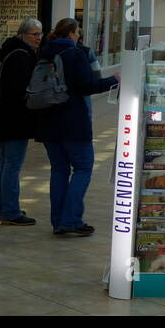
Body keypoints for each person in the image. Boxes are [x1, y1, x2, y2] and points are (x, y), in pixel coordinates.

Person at [35, 18, 118, 236]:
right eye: (77, 31)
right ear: (72, 33)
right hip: (73, 122)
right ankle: (71, 220)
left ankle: (58, 221)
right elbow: (87, 86)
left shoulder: (44, 53)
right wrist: (113, 80)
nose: (79, 36)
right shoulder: (75, 54)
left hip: (47, 121)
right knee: (83, 168)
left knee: (59, 170)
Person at [0, 18, 42, 225]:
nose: (38, 38)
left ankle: (3, 207)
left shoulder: (12, 52)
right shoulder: (22, 57)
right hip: (15, 116)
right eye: (34, 34)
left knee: (5, 163)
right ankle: (10, 212)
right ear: (23, 34)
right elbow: (22, 89)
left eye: (40, 34)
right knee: (12, 164)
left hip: (5, 113)